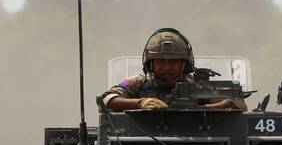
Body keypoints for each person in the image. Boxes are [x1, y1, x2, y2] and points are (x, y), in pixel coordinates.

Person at [98, 28, 245, 111]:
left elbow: (236, 104)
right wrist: (140, 103)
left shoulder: (195, 85)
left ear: (184, 64)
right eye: (161, 61)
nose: (167, 67)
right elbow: (106, 99)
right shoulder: (138, 83)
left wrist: (200, 109)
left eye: (174, 61)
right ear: (150, 64)